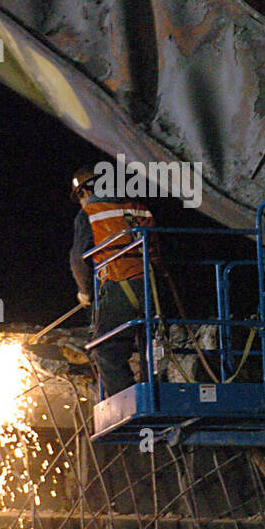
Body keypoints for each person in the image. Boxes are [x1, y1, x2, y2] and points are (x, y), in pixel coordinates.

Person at [69, 165, 158, 397]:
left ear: (85, 192)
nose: (81, 202)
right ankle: (152, 397)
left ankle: (127, 404)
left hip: (119, 284)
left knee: (105, 348)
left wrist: (85, 291)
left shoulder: (89, 213)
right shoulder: (139, 207)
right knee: (150, 347)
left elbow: (79, 258)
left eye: (80, 196)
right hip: (154, 287)